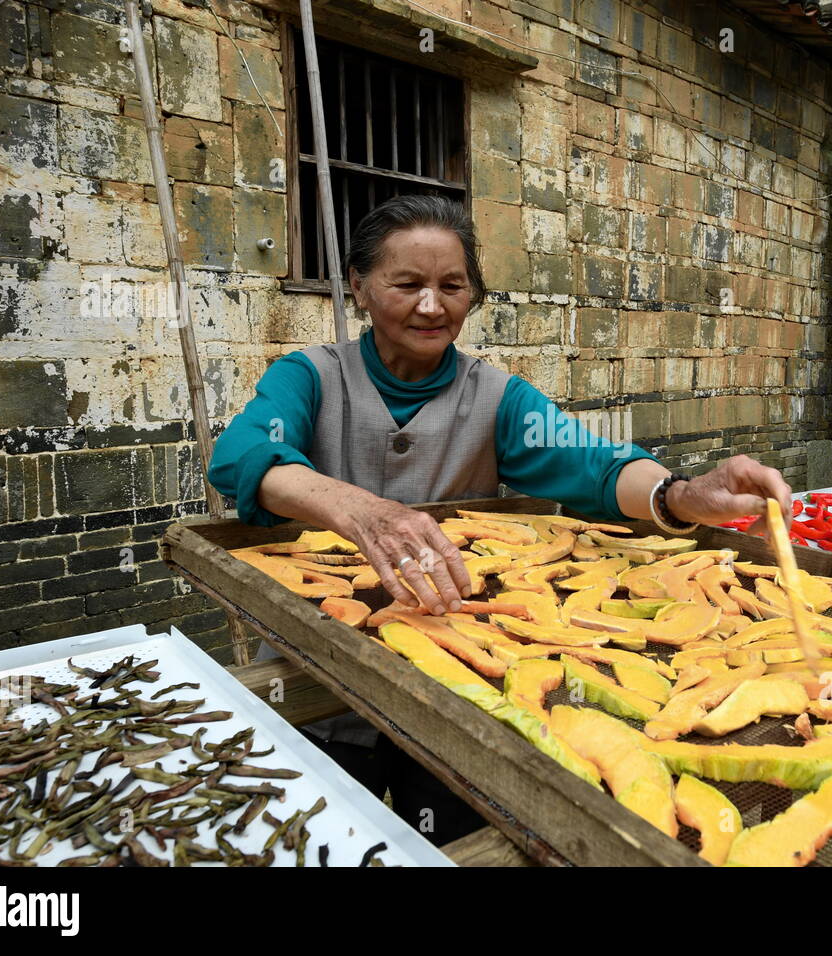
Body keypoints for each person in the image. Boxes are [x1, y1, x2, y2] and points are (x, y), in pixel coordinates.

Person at [210, 194, 794, 844]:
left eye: (451, 286)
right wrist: (356, 507)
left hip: (455, 685)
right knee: (317, 841)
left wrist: (683, 495)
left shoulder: (497, 399)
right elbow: (240, 455)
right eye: (407, 284)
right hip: (316, 675)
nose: (431, 306)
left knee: (451, 836)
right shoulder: (312, 377)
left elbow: (593, 467)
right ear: (358, 285)